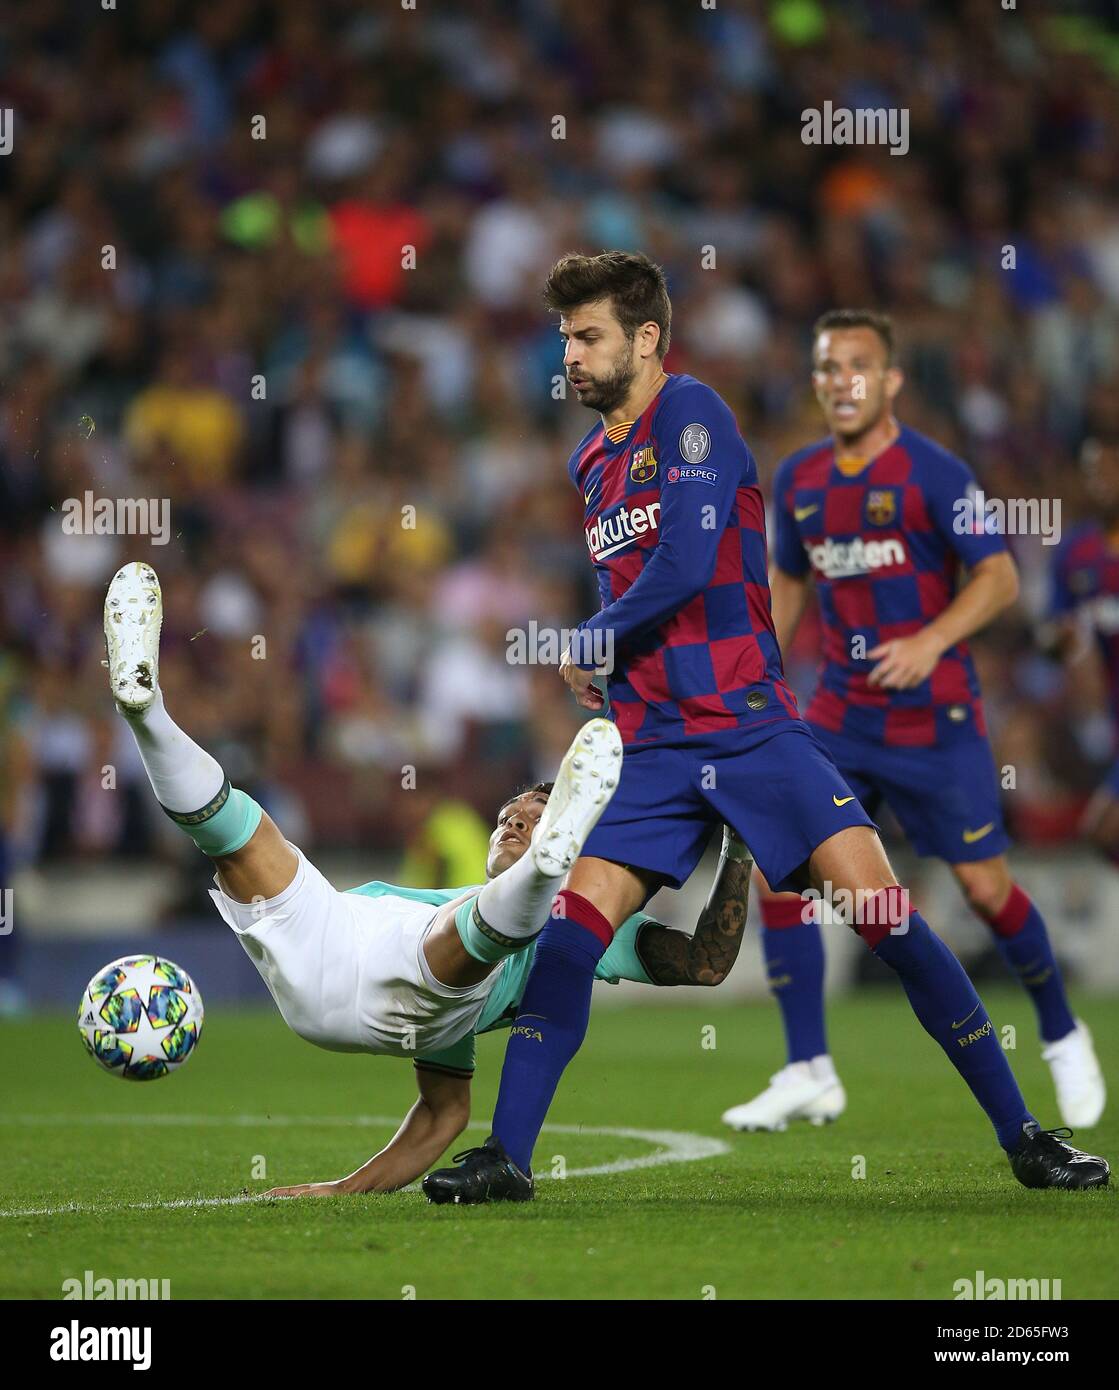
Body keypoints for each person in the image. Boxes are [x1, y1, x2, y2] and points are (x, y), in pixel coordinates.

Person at [424, 251, 1109, 1203]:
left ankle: (1025, 1137)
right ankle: (507, 1157)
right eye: (564, 339)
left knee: (885, 920)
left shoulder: (693, 415)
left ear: (646, 338)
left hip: (751, 732)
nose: (569, 357)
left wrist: (594, 634)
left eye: (587, 337)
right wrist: (609, 665)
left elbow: (693, 556)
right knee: (574, 936)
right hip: (654, 745)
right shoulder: (590, 460)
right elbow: (627, 588)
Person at [104, 561, 752, 1196]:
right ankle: (146, 710)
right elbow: (443, 1112)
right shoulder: (448, 907)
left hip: (413, 988)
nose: (513, 822)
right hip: (332, 938)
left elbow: (704, 962)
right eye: (509, 817)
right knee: (240, 835)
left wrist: (737, 850)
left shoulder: (588, 926)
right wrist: (341, 1190)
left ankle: (545, 875)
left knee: (477, 943)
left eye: (535, 817)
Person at [721, 309, 1104, 1134]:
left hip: (936, 721)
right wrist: (755, 672)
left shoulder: (935, 474)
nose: (842, 381)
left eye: (859, 365)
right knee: (776, 866)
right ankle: (807, 1067)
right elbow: (787, 582)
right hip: (839, 715)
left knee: (983, 888)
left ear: (891, 380)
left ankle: (1060, 1027)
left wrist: (931, 640)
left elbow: (998, 577)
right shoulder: (799, 479)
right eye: (828, 367)